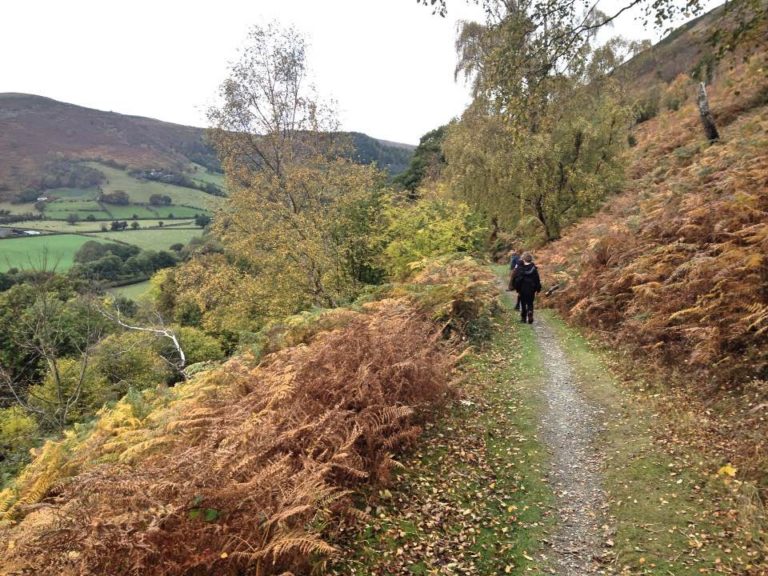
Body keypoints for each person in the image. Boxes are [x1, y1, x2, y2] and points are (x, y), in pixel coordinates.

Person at [512, 252, 541, 324]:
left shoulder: (520, 267)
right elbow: (537, 279)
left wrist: (517, 288)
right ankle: (530, 312)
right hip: (531, 288)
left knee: (523, 303)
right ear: (531, 259)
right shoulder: (534, 268)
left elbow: (517, 279)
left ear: (524, 259)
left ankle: (523, 318)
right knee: (530, 302)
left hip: (522, 288)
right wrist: (538, 289)